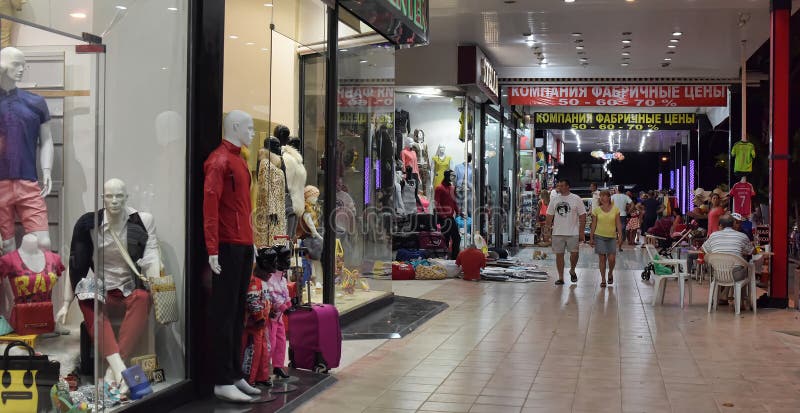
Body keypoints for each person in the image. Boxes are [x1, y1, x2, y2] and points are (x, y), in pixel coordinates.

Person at [701, 214, 754, 304]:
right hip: (736, 275)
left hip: (718, 274)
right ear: (733, 224)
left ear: (720, 225)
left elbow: (703, 249)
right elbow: (751, 251)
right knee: (744, 269)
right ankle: (741, 302)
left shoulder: (713, 236)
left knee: (735, 268)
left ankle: (724, 297)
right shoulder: (742, 236)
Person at [545, 179, 586, 285]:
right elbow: (549, 216)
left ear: (568, 186)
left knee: (574, 254)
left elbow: (582, 216)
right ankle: (561, 277)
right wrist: (547, 231)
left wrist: (581, 232)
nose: (560, 187)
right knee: (559, 255)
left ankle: (572, 270)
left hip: (573, 232)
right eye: (558, 186)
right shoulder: (554, 199)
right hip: (557, 232)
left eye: (562, 185)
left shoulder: (576, 199)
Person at [590, 190, 623, 287]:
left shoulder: (615, 209)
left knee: (612, 259)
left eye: (604, 196)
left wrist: (620, 236)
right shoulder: (596, 210)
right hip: (599, 236)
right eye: (601, 196)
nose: (602, 197)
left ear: (609, 197)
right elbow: (593, 224)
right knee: (602, 258)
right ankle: (603, 279)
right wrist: (591, 238)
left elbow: (618, 223)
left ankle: (610, 273)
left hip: (611, 237)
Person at [434, 169, 461, 259]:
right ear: (447, 176)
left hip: (450, 217)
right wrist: (443, 216)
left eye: (454, 176)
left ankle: (454, 258)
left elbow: (454, 202)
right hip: (444, 218)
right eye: (452, 175)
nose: (454, 177)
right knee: (446, 238)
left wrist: (459, 212)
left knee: (456, 238)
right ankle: (444, 258)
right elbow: (437, 203)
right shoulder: (439, 188)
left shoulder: (452, 188)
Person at [610, 185, 632, 251]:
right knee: (621, 232)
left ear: (617, 189)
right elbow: (632, 204)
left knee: (613, 231)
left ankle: (612, 247)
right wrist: (628, 211)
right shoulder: (626, 197)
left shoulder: (613, 196)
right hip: (623, 215)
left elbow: (608, 204)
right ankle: (619, 247)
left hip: (614, 215)